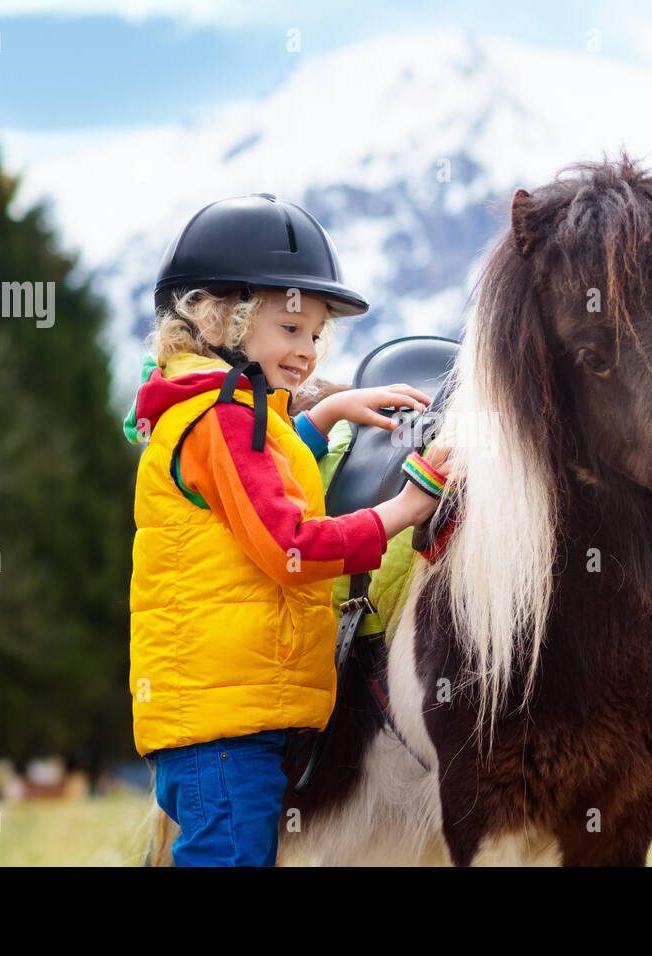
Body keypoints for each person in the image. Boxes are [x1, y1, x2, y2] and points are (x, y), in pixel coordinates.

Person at [122, 194, 454, 866]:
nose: (307, 351)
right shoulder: (223, 417)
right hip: (227, 730)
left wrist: (324, 416)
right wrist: (406, 507)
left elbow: (252, 487)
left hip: (226, 719)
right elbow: (291, 547)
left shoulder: (219, 411)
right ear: (223, 315)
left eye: (316, 335)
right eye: (292, 328)